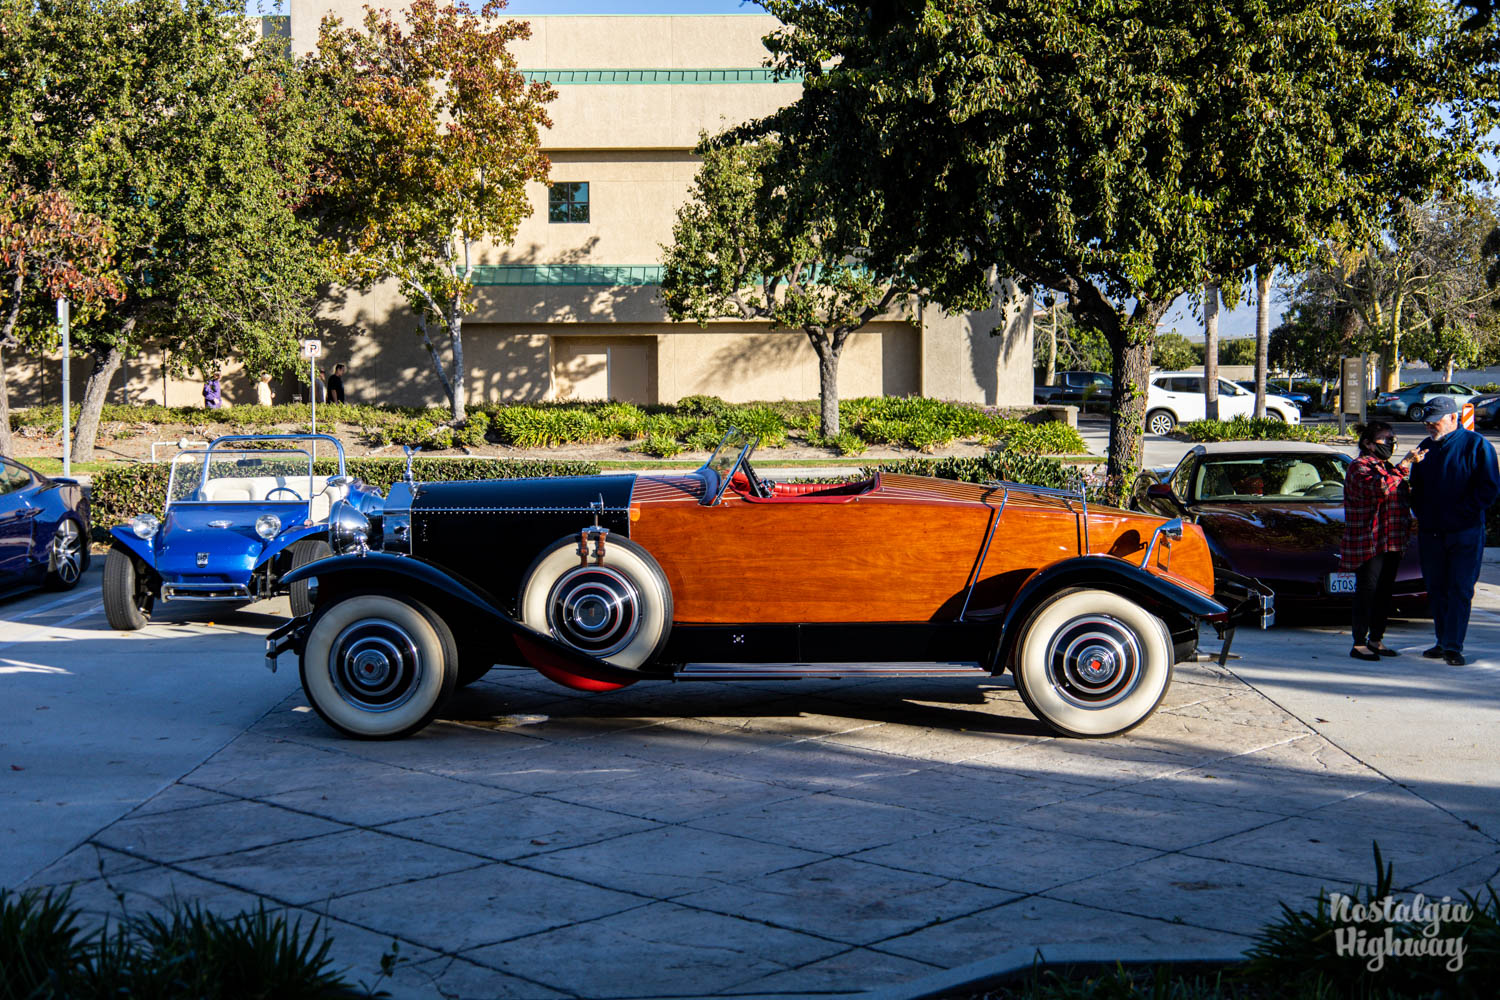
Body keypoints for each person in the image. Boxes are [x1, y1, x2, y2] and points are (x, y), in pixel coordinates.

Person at [1407, 395, 1500, 665]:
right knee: (1436, 588)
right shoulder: (1426, 447)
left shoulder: (1477, 446)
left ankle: (1452, 646)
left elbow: (1489, 489)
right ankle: (1441, 640)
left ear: (1452, 418)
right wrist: (1421, 512)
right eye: (1427, 422)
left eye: (1435, 422)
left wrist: (1460, 513)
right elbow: (1417, 488)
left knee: (1460, 588)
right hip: (1432, 532)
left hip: (1465, 532)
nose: (1430, 426)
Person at [1343, 421, 1419, 660]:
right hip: (1369, 540)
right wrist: (1405, 464)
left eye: (1392, 438)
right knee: (1367, 590)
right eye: (1385, 439)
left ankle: (1376, 639)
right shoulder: (1359, 466)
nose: (1391, 443)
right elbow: (1381, 489)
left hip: (1393, 539)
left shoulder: (1385, 466)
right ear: (1367, 443)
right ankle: (1359, 643)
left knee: (1385, 592)